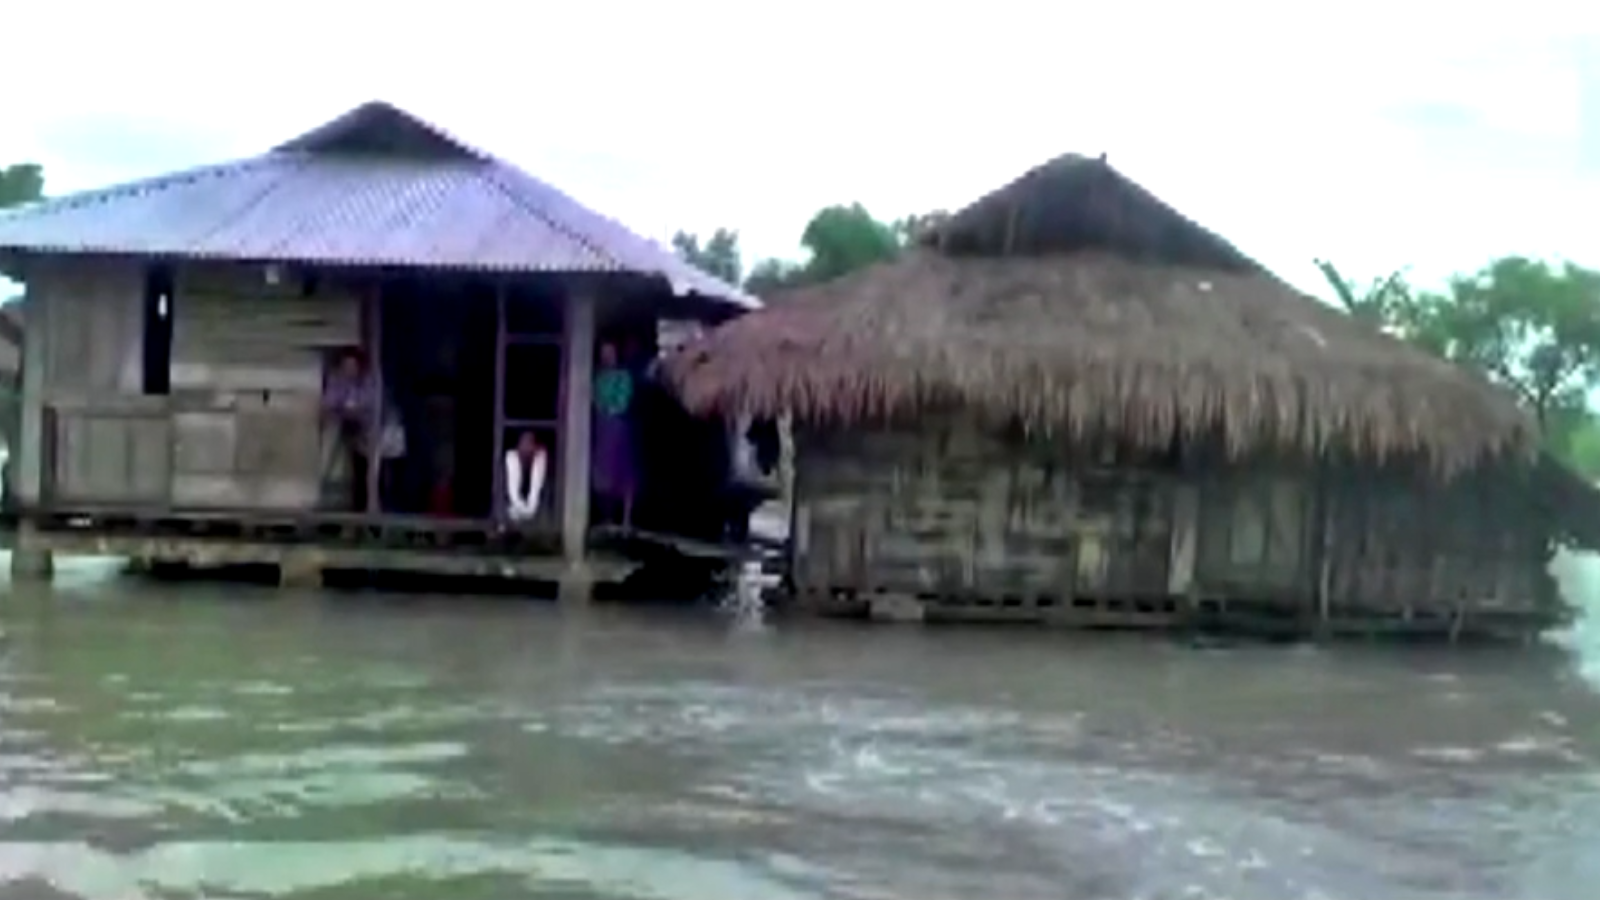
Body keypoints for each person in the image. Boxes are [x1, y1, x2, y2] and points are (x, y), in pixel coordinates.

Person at [592, 341, 638, 527]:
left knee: (624, 474)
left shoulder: (623, 376)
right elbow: (594, 400)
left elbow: (623, 400)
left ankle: (626, 520)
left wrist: (610, 408)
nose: (607, 356)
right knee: (602, 474)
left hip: (619, 428)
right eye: (604, 353)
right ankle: (607, 518)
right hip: (602, 429)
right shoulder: (598, 377)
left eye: (610, 352)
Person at [504, 430, 548, 523]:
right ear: (518, 445)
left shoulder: (541, 466)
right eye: (524, 442)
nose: (527, 447)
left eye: (530, 443)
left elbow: (544, 501)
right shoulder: (508, 465)